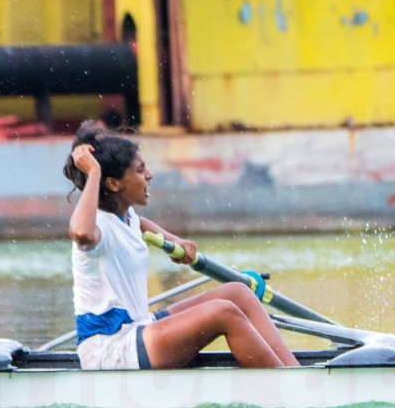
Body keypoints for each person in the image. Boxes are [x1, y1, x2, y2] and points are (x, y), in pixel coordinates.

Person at [64, 121, 299, 370]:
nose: (149, 175)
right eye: (140, 170)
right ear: (113, 184)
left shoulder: (127, 217)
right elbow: (80, 233)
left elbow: (140, 224)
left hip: (140, 327)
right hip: (110, 348)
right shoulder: (99, 227)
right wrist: (94, 174)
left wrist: (173, 240)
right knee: (224, 312)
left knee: (239, 292)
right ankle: (287, 387)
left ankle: (294, 372)